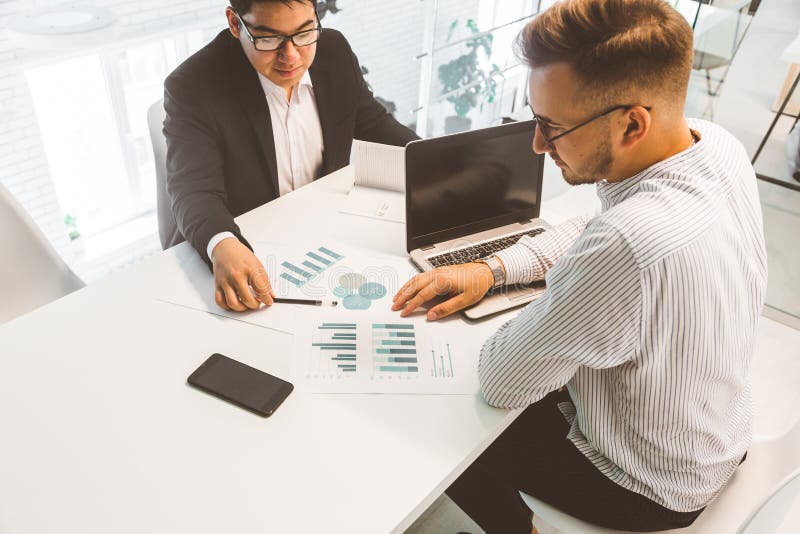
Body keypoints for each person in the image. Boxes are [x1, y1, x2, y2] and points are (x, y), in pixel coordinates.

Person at [392, 0, 767, 531]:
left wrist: (560, 301)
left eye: (552, 126)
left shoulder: (627, 245)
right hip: (717, 434)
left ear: (632, 124)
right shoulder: (716, 147)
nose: (538, 144)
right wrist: (493, 269)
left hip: (649, 484)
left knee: (441, 420)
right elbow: (598, 230)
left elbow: (502, 379)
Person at [163, 0, 417, 312]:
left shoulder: (333, 49)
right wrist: (223, 244)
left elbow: (372, 122)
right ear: (234, 23)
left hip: (320, 237)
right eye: (268, 39)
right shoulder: (194, 85)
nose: (291, 56)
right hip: (245, 247)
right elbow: (194, 190)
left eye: (304, 32)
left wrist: (434, 161)